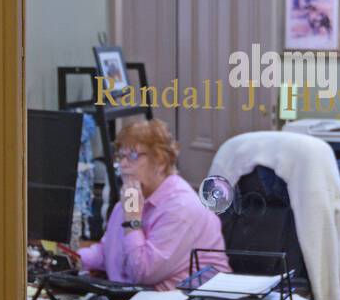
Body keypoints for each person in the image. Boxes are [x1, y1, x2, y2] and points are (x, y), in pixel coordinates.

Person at [79, 118, 230, 288]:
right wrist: (74, 259)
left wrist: (132, 220)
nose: (122, 164)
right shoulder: (132, 197)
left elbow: (142, 273)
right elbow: (108, 252)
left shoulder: (181, 207)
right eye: (120, 156)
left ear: (160, 162)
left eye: (133, 156)